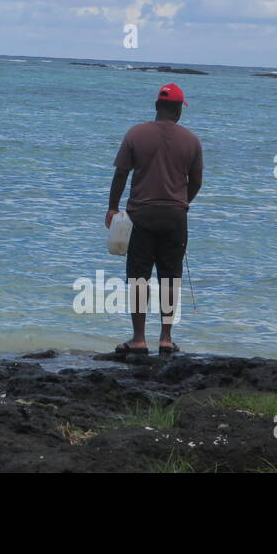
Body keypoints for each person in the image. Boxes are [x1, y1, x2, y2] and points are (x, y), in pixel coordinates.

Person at [106, 83, 203, 356]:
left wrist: (112, 208)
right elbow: (196, 181)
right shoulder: (191, 140)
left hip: (141, 215)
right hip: (174, 216)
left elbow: (121, 174)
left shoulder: (136, 134)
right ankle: (166, 338)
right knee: (170, 277)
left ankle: (138, 339)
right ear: (179, 111)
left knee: (138, 277)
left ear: (156, 107)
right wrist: (182, 202)